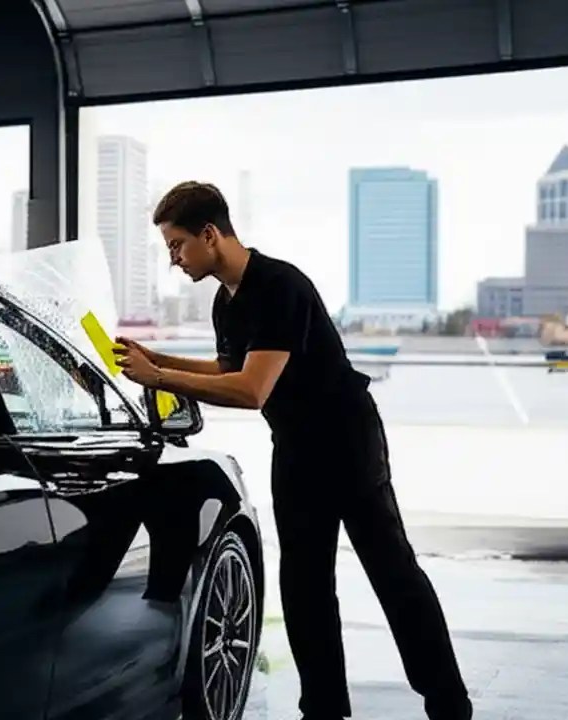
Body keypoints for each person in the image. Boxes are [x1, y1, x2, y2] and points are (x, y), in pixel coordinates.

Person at [114, 181, 472, 720]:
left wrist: (160, 376)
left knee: (392, 572)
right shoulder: (224, 301)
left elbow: (251, 389)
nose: (172, 260)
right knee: (303, 585)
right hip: (297, 444)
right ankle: (323, 708)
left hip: (347, 440)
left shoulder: (280, 285)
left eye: (177, 245)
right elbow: (230, 369)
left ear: (210, 235)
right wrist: (157, 359)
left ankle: (448, 702)